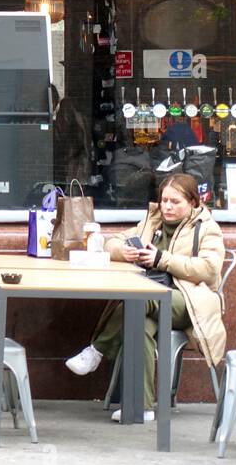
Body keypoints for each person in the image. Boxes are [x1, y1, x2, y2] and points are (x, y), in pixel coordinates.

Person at [64, 173, 227, 422]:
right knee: (138, 319)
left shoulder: (207, 228)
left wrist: (162, 260)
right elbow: (111, 243)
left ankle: (97, 350)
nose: (168, 207)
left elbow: (209, 268)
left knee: (140, 298)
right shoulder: (153, 221)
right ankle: (142, 407)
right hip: (152, 300)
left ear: (193, 203)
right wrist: (125, 252)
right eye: (164, 201)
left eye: (175, 202)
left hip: (191, 300)